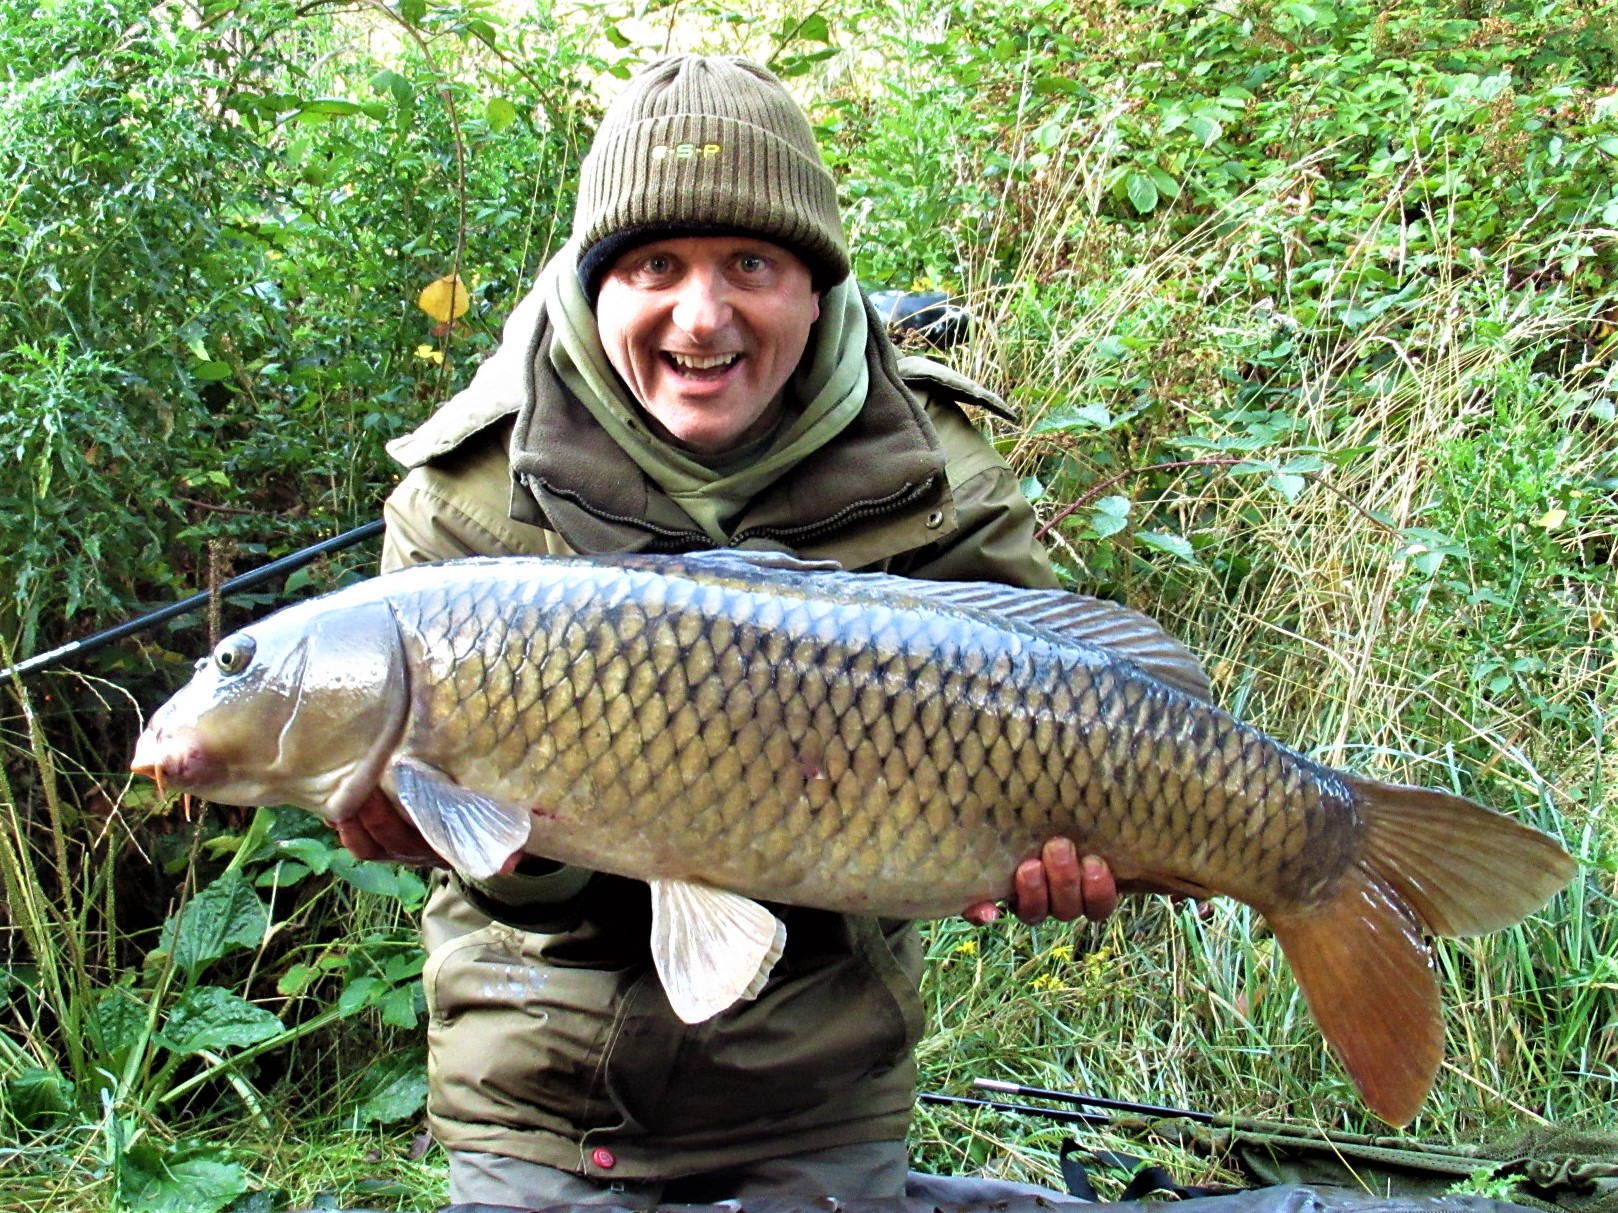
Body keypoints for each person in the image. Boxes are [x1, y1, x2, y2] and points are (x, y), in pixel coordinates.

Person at [337, 53, 1122, 1210]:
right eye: (655, 265)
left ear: (816, 287)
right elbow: (504, 896)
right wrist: (464, 832)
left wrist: (1059, 856)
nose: (700, 318)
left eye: (748, 263)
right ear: (591, 284)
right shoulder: (465, 500)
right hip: (542, 1086)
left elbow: (1072, 702)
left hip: (815, 1081)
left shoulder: (932, 475)